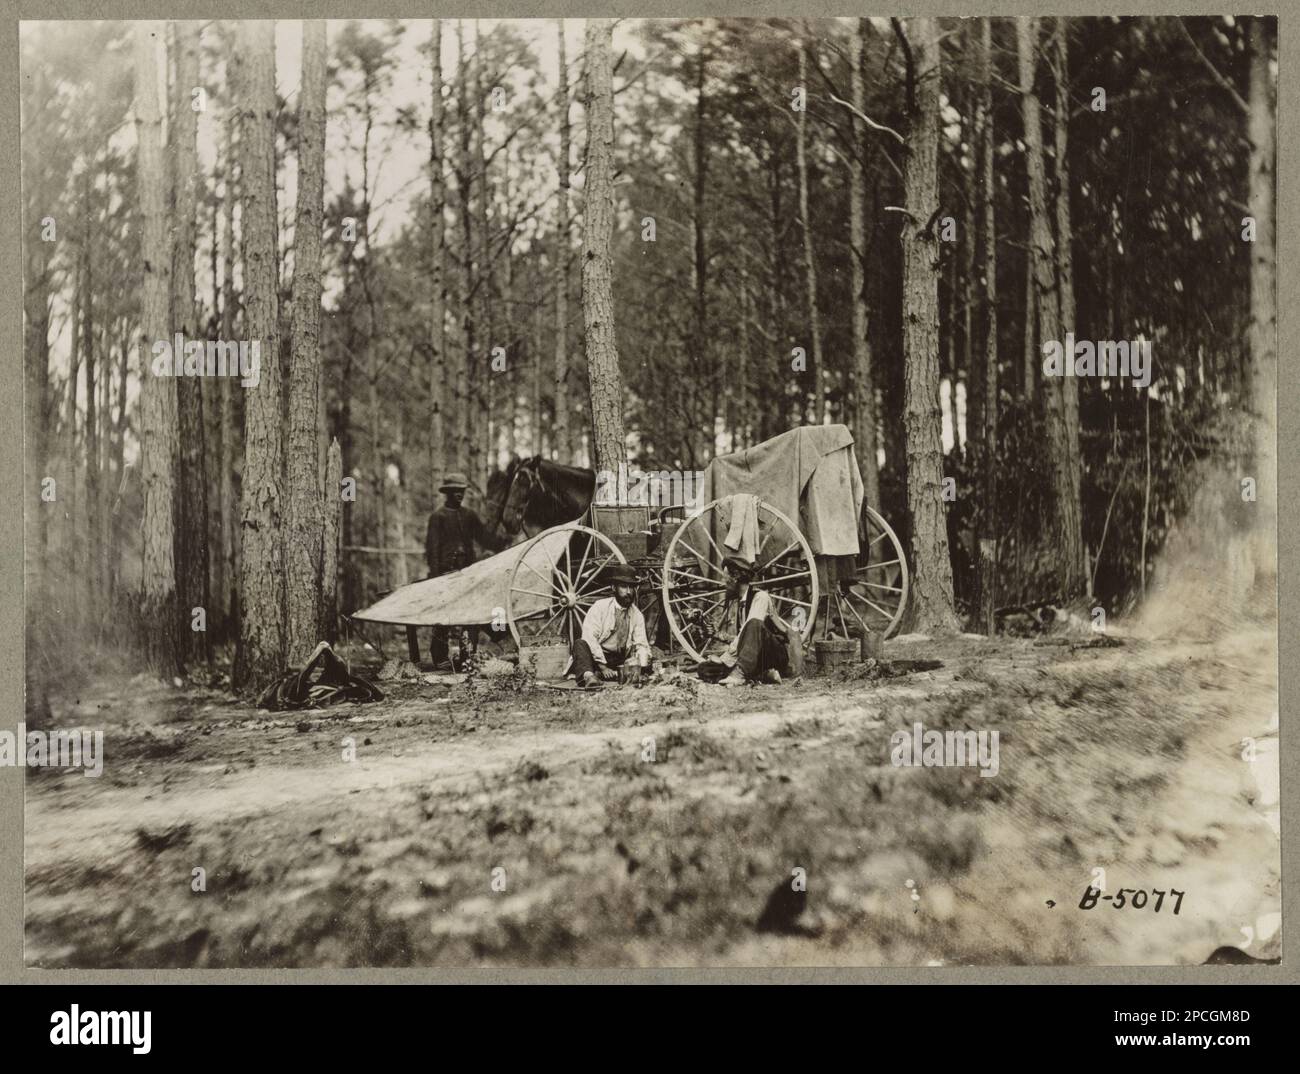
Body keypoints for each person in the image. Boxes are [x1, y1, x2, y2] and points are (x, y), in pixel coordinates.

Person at [424, 471, 509, 668]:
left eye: (462, 491)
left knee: (472, 615)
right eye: (455, 491)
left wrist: (503, 542)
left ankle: (467, 656)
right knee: (442, 615)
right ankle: (440, 658)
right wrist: (436, 579)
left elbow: (484, 538)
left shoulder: (469, 516)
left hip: (467, 574)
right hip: (444, 575)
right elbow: (432, 550)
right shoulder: (438, 517)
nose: (460, 494)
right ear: (447, 493)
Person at [712, 556, 795, 686]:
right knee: (705, 669)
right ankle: (763, 675)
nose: (723, 582)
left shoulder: (760, 597)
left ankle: (739, 674)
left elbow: (751, 629)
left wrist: (725, 658)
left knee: (754, 623)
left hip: (772, 653)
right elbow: (746, 639)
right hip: (752, 656)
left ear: (735, 578)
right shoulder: (740, 603)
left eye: (725, 577)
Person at [571, 564, 652, 687]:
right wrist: (603, 667)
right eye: (624, 587)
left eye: (632, 587)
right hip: (597, 657)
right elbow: (590, 639)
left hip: (619, 660)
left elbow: (641, 643)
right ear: (614, 587)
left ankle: (603, 675)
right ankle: (589, 676)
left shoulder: (637, 615)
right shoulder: (600, 607)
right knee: (580, 644)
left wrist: (639, 661)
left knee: (646, 660)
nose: (629, 592)